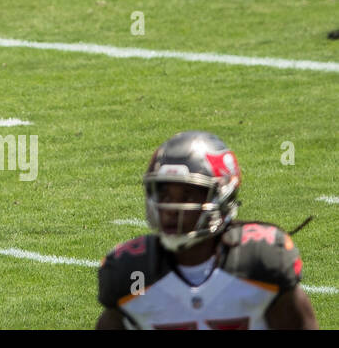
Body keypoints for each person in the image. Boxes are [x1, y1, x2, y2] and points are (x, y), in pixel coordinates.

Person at [96, 131, 318, 330]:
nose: (171, 209)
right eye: (164, 196)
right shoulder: (129, 272)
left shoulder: (260, 261)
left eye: (187, 196)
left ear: (222, 197)